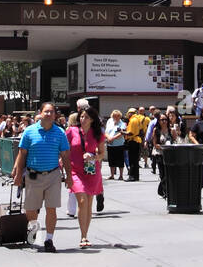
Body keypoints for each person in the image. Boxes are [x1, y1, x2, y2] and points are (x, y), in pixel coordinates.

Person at [12, 101, 72, 252]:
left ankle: (49, 240)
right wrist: (18, 175)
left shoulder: (60, 133)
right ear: (40, 113)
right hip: (33, 176)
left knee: (51, 208)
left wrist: (69, 176)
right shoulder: (29, 131)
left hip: (53, 175)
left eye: (52, 112)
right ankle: (34, 228)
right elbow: (22, 154)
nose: (49, 114)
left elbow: (65, 155)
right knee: (31, 209)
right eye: (46, 111)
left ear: (55, 115)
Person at [67, 106, 107, 248]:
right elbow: (64, 149)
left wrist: (94, 157)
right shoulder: (71, 131)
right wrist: (62, 163)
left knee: (89, 204)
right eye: (82, 116)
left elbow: (102, 154)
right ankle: (83, 236)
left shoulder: (97, 134)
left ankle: (84, 236)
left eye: (87, 117)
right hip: (75, 171)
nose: (83, 119)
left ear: (92, 120)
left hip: (91, 171)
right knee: (82, 201)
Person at [150, 110, 182, 199]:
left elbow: (176, 141)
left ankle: (162, 190)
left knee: (169, 174)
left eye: (165, 120)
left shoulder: (171, 130)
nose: (164, 121)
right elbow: (155, 144)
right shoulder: (156, 130)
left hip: (170, 154)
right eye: (161, 120)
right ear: (158, 121)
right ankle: (165, 192)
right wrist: (163, 147)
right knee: (162, 174)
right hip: (160, 153)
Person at [125, 105, 148, 181]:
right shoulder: (138, 119)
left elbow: (131, 133)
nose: (127, 115)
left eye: (128, 113)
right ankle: (136, 176)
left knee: (132, 159)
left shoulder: (133, 120)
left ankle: (131, 176)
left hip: (133, 141)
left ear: (130, 113)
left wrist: (123, 132)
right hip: (137, 140)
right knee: (135, 160)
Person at [104, 109, 127, 180]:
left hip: (119, 144)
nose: (115, 117)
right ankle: (112, 175)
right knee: (111, 160)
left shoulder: (122, 124)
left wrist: (112, 138)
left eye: (117, 116)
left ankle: (121, 175)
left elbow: (121, 133)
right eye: (114, 116)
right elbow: (106, 132)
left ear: (120, 116)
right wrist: (108, 138)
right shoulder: (109, 121)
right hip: (110, 144)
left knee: (120, 160)